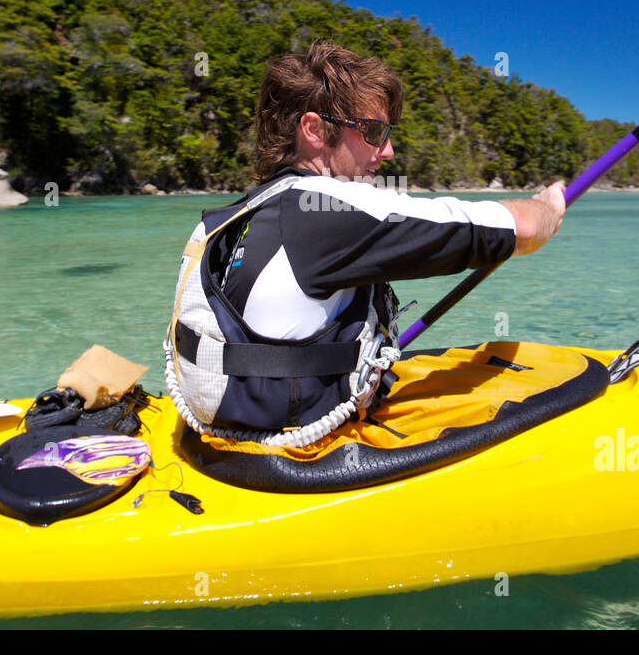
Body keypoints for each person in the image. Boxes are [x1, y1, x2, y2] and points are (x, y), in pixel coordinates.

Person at [164, 42, 565, 446]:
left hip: (223, 423)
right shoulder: (322, 207)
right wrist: (545, 208)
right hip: (291, 445)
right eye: (373, 131)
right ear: (315, 130)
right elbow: (518, 231)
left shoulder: (244, 210)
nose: (387, 151)